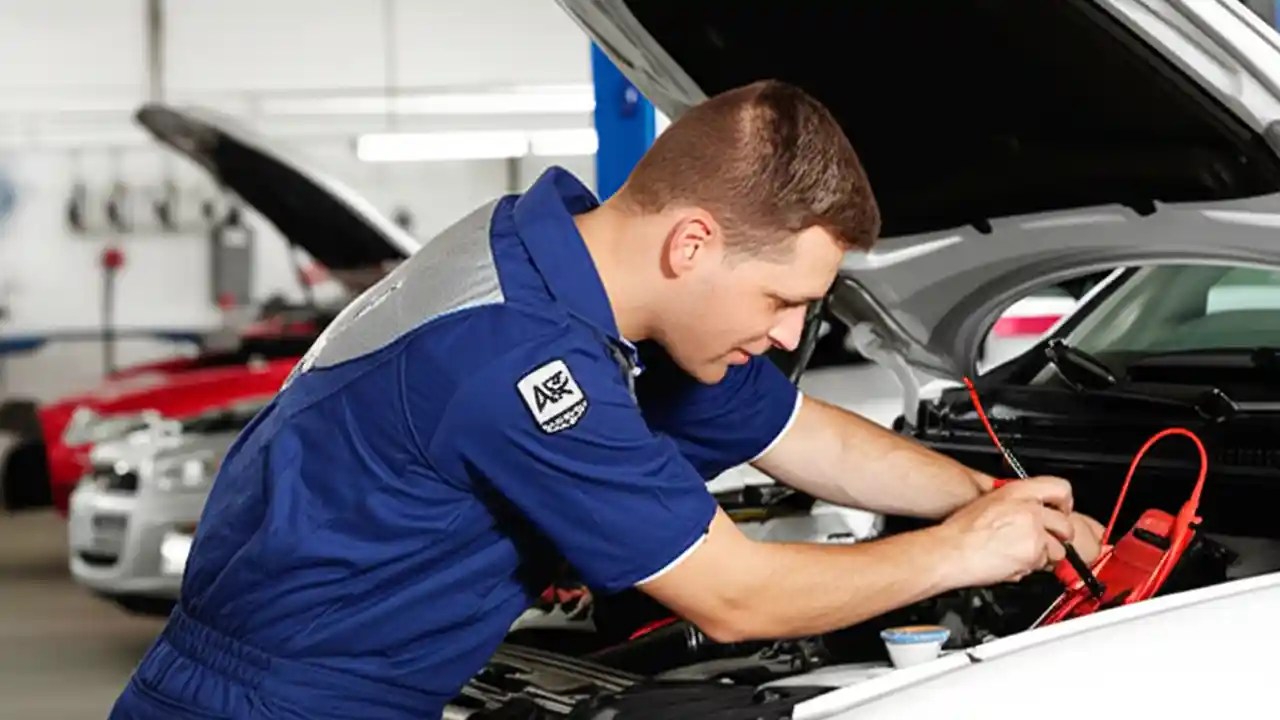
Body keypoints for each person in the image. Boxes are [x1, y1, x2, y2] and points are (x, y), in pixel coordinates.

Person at [110, 80, 1103, 720]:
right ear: (693, 245)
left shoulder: (569, 263)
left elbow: (799, 433)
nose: (792, 336)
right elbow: (734, 599)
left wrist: (994, 501)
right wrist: (959, 554)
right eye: (783, 301)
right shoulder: (513, 353)